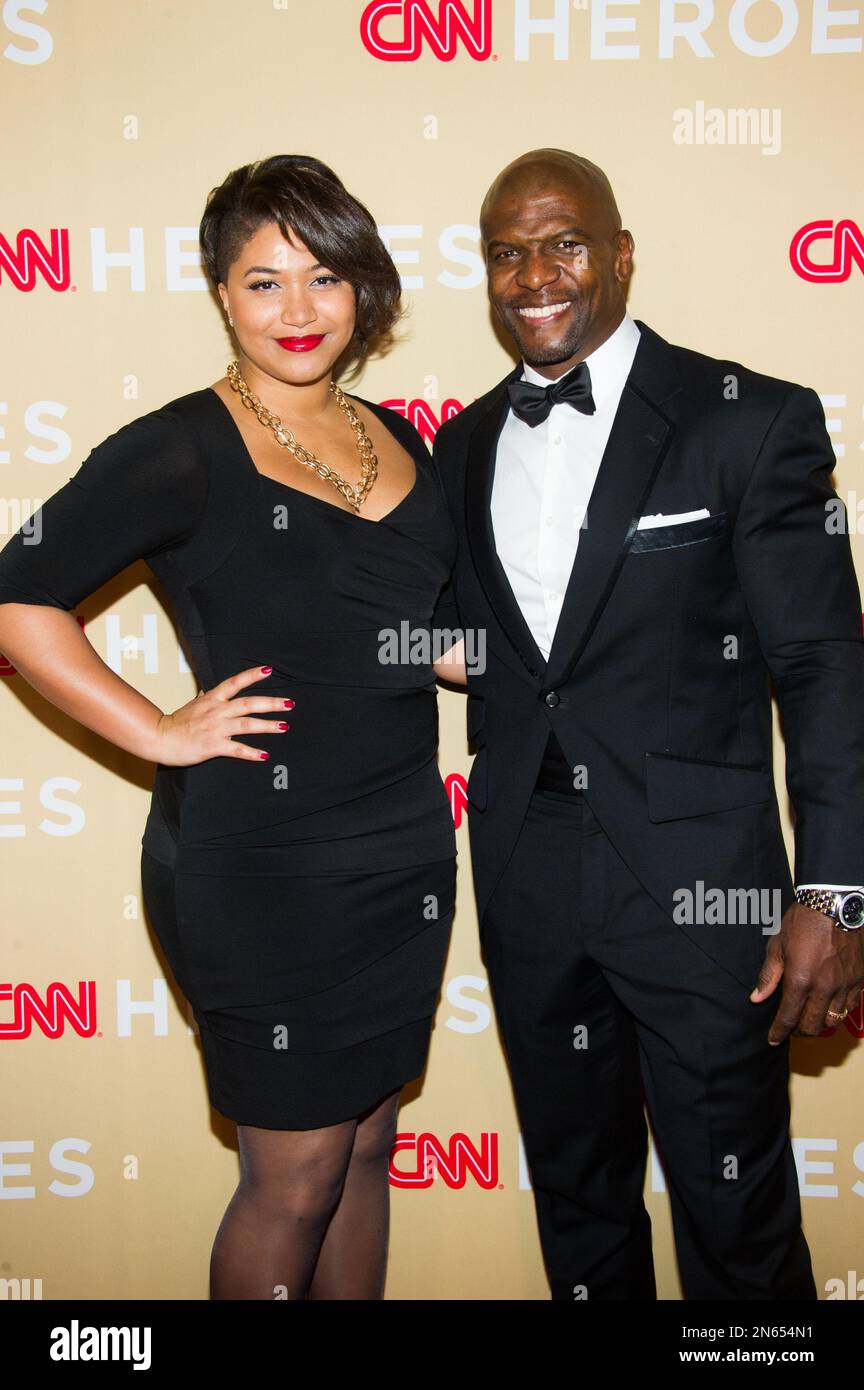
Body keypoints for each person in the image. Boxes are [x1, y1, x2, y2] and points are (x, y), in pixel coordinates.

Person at [0, 154, 466, 1300]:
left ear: (364, 287)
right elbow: (20, 596)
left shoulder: (404, 434)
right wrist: (155, 727)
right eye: (264, 282)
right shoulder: (181, 446)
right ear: (221, 294)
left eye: (323, 277)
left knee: (365, 1150)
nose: (298, 310)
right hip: (261, 869)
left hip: (402, 851)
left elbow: (432, 633)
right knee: (292, 1174)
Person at [431, 147, 864, 1300]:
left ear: (620, 254)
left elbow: (826, 667)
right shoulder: (462, 446)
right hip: (528, 871)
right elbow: (468, 643)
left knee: (735, 1211)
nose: (535, 273)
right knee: (577, 1199)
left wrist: (835, 890)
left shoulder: (750, 420)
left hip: (700, 885)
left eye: (564, 242)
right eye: (505, 252)